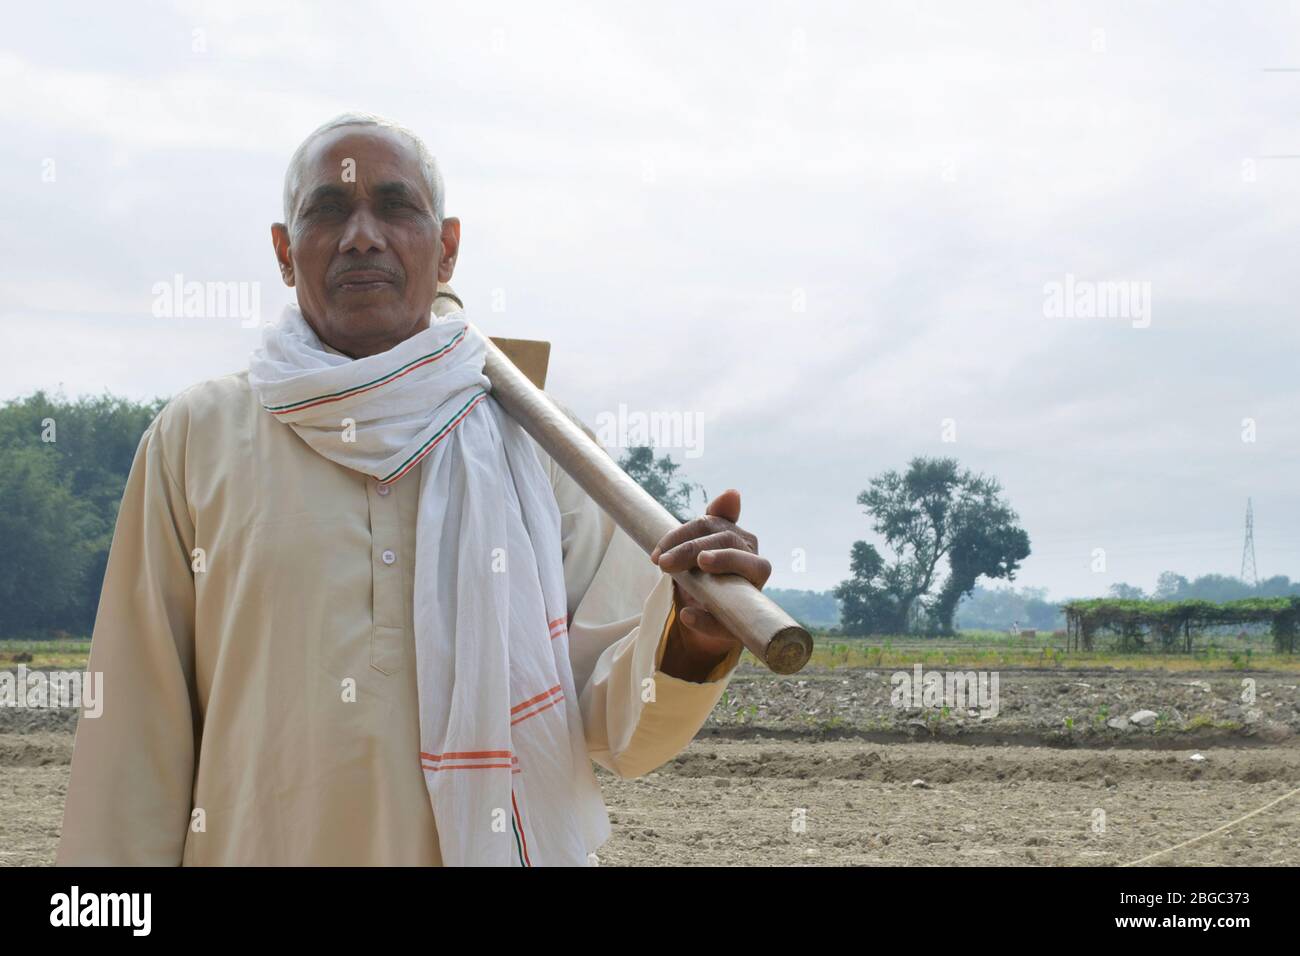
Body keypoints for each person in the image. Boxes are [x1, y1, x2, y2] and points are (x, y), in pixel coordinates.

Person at [56, 112, 771, 865]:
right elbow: (136, 727)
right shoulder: (197, 435)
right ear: (283, 252)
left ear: (448, 248)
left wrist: (690, 637)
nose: (362, 234)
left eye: (395, 207)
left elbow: (611, 723)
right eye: (328, 210)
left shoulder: (539, 445)